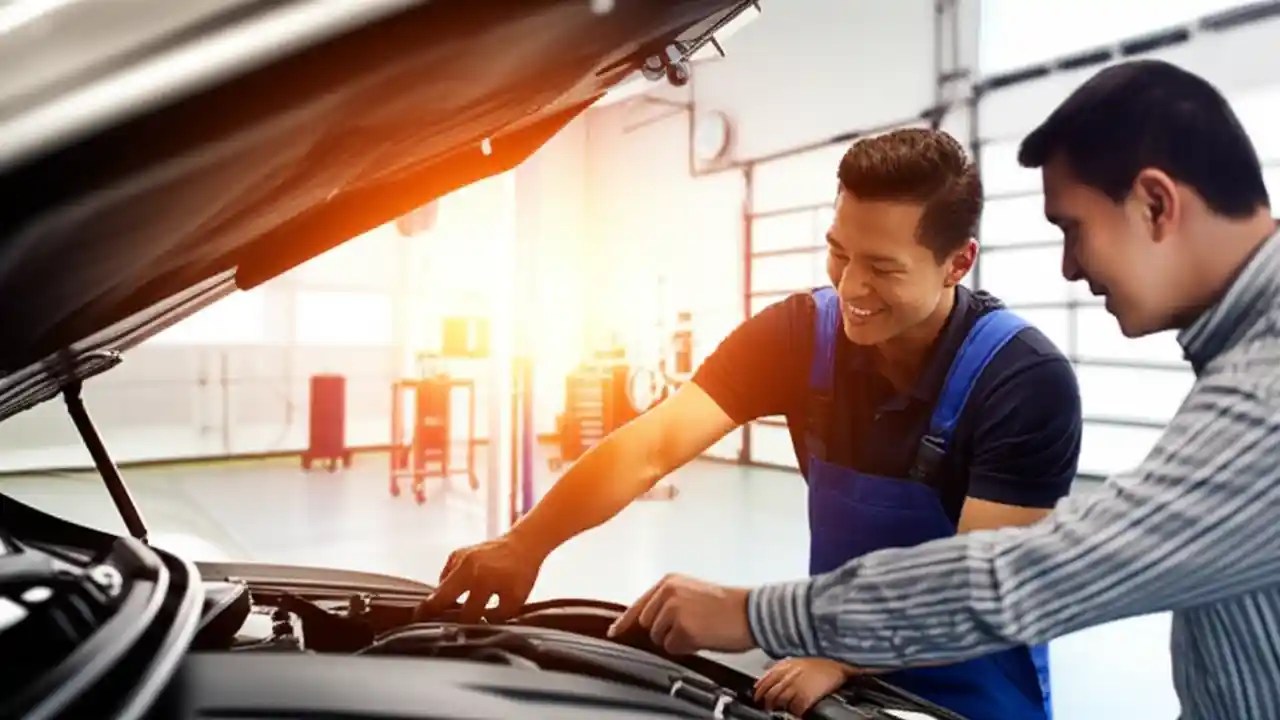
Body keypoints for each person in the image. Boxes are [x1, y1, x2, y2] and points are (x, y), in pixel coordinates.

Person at [606, 59, 1280, 720]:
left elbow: (1020, 579)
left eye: (1073, 230)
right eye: (841, 255)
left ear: (1156, 204)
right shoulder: (1241, 357)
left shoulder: (1262, 396)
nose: (1070, 268)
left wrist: (755, 614)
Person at [416, 127, 1084, 719]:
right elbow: (650, 447)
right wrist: (525, 543)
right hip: (829, 666)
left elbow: (973, 589)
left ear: (958, 263)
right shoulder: (798, 336)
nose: (851, 288)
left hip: (968, 690)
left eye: (882, 268)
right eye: (839, 253)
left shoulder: (1023, 382)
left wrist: (836, 656)